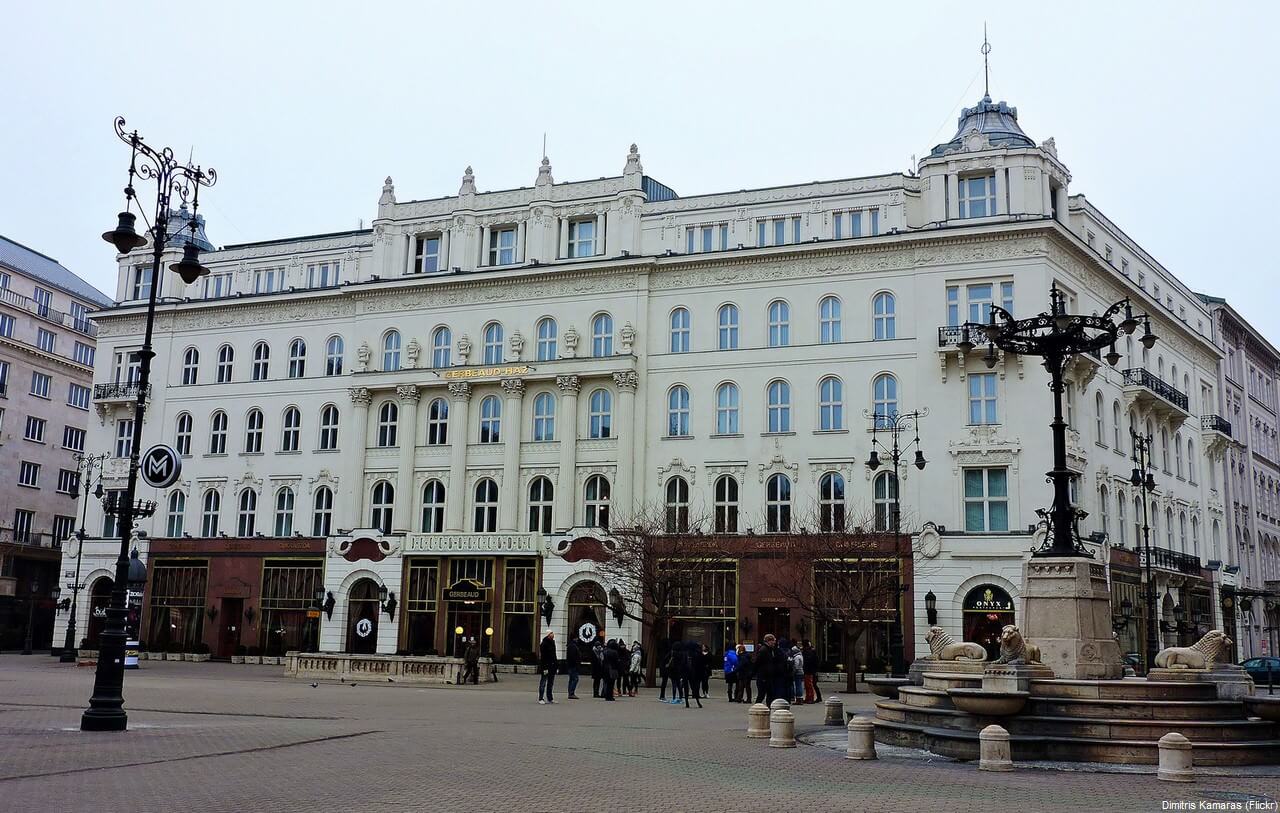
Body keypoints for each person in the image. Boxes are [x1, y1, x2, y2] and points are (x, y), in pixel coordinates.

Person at [677, 640, 702, 708]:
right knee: (694, 687)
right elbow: (698, 664)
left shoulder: (684, 653)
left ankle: (687, 702)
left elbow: (681, 664)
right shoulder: (696, 653)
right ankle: (697, 701)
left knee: (686, 687)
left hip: (685, 672)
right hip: (692, 672)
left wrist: (680, 673)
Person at [538, 630, 557, 705]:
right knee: (543, 682)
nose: (553, 634)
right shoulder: (544, 644)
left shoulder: (553, 643)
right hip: (545, 666)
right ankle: (541, 698)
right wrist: (545, 667)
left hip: (552, 666)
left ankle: (550, 698)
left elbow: (554, 655)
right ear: (548, 635)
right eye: (552, 633)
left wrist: (556, 665)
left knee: (550, 683)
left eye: (553, 633)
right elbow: (543, 657)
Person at [565, 635, 582, 700]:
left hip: (571, 665)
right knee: (575, 679)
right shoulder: (573, 646)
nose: (577, 639)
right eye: (576, 638)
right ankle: (571, 693)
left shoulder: (571, 645)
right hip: (573, 666)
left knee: (572, 679)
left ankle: (570, 693)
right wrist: (576, 664)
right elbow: (573, 657)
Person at [591, 631, 606, 698]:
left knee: (598, 681)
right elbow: (593, 662)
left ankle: (597, 693)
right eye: (598, 646)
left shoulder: (601, 652)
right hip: (596, 669)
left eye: (600, 645)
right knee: (596, 681)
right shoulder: (594, 653)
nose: (599, 647)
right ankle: (595, 693)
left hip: (600, 669)